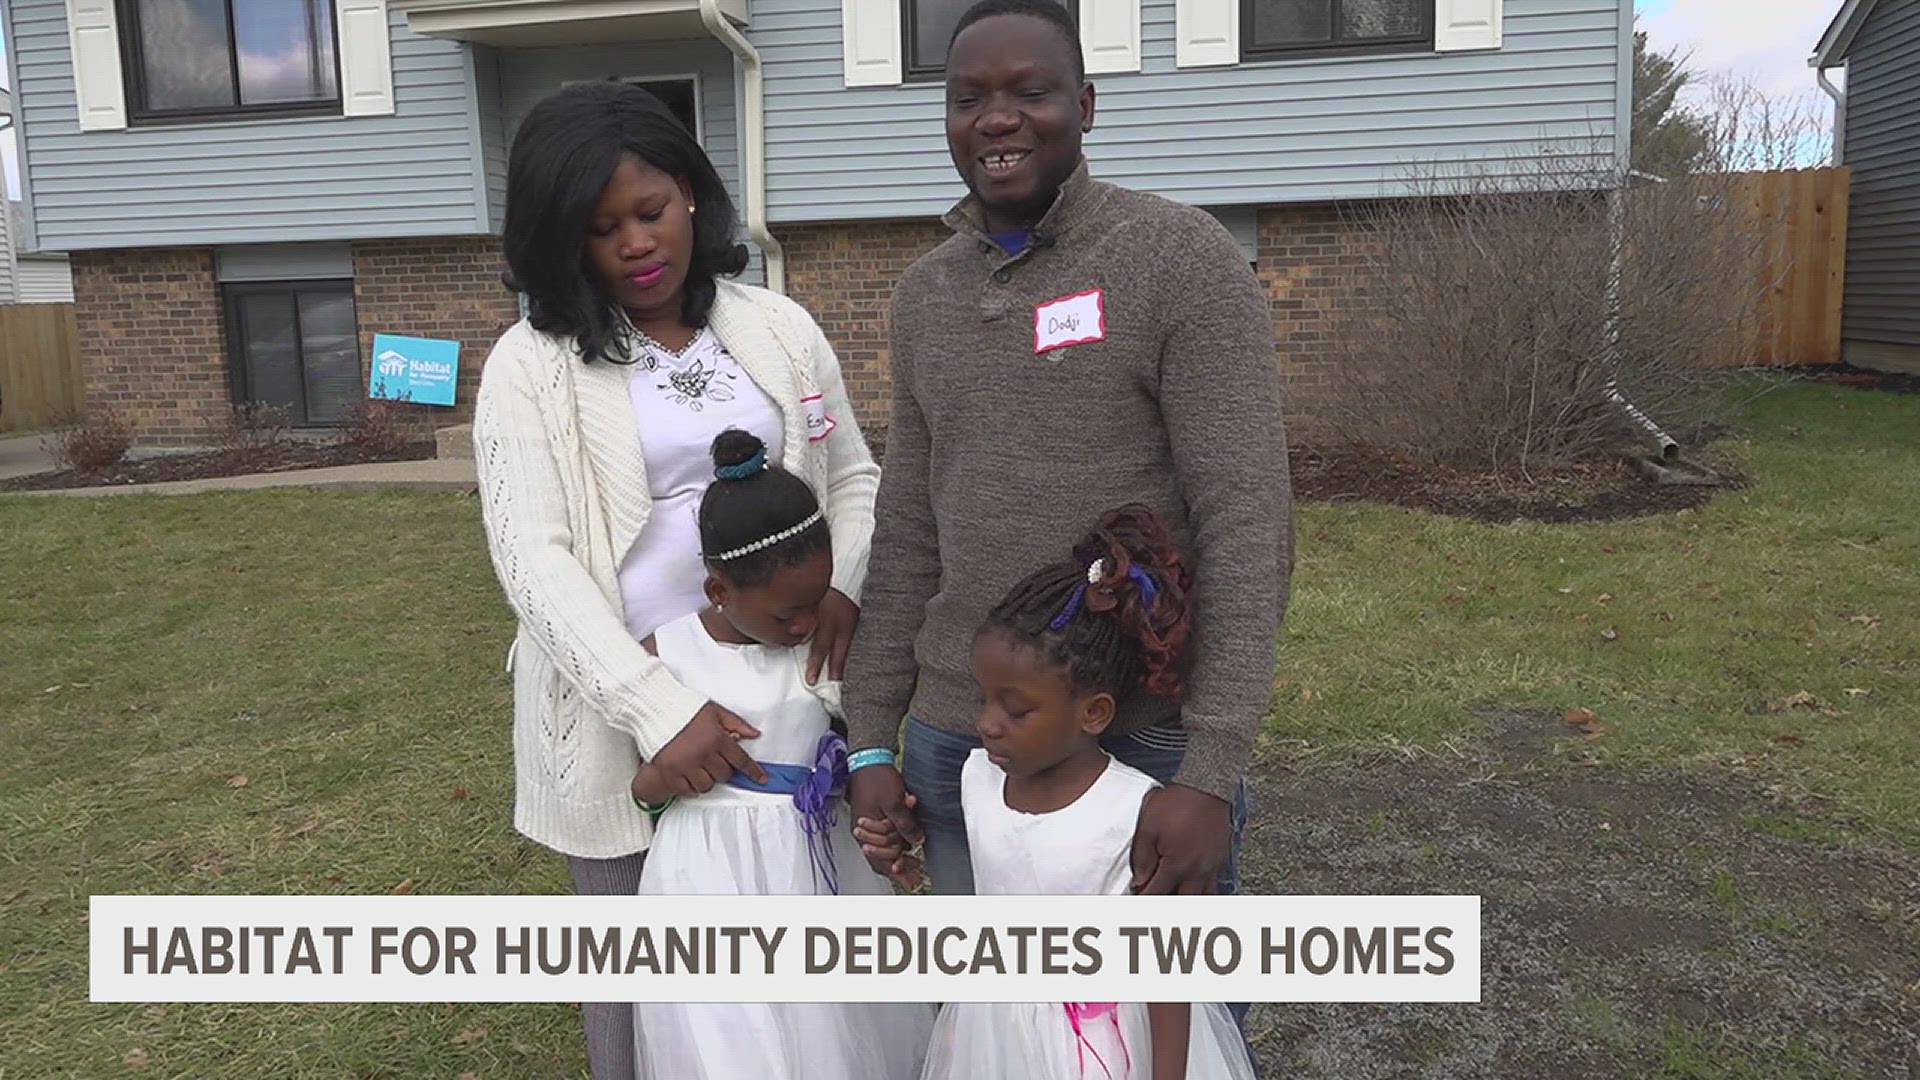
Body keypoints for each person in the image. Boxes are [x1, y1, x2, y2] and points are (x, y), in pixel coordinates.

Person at [843, 0, 1291, 910]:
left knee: (1154, 1023)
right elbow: (907, 529)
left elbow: (1247, 519)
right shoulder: (926, 296)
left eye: (1030, 91)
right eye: (968, 97)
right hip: (957, 731)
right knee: (991, 1016)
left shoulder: (1178, 258)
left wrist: (1209, 770)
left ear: (1085, 105)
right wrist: (870, 739)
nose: (997, 117)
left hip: (1136, 734)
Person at [472, 81, 879, 1079]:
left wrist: (846, 590)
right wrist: (655, 706)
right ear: (558, 240)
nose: (636, 245)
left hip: (784, 697)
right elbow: (534, 554)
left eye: (651, 212)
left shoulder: (777, 329)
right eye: (600, 229)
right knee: (641, 977)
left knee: (804, 956)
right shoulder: (531, 366)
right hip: (626, 720)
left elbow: (858, 476)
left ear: (692, 194)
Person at [861, 506, 1257, 1080]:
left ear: (1093, 713)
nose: (989, 724)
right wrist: (891, 845)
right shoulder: (975, 779)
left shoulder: (1136, 811)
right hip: (994, 1037)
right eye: (983, 700)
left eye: (1016, 710)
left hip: (1108, 1045)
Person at [628, 429, 933, 1079]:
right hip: (707, 874)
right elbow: (640, 789)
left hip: (815, 866)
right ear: (718, 591)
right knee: (729, 1030)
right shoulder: (668, 654)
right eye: (787, 614)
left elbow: (850, 753)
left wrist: (878, 819)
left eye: (817, 601)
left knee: (831, 1020)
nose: (804, 626)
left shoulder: (820, 649)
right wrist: (664, 775)